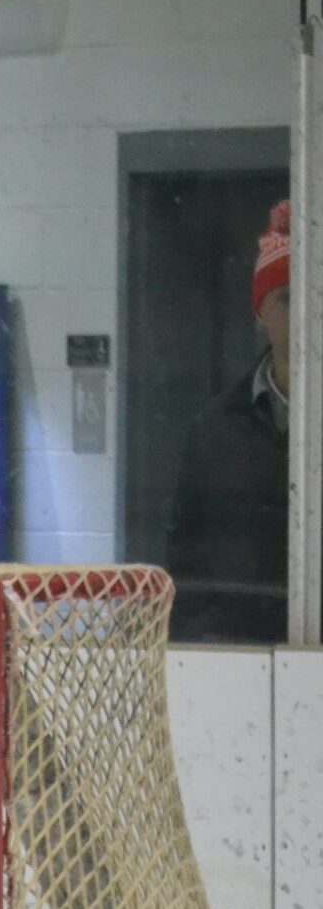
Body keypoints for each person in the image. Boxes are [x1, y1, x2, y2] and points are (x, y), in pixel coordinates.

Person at [168, 199, 293, 641]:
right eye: (287, 299)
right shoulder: (214, 431)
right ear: (260, 312)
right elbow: (186, 567)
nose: (304, 316)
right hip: (236, 661)